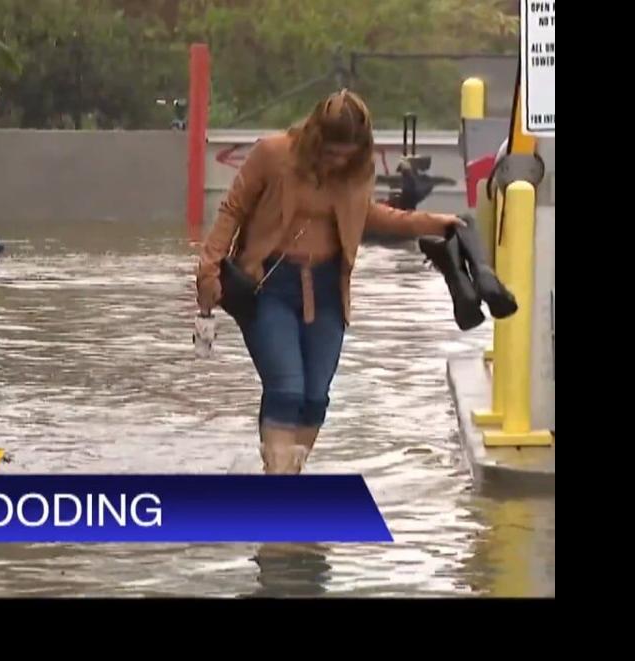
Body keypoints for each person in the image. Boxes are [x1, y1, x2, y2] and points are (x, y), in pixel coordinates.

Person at [195, 90, 465, 475]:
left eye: (347, 154)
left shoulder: (356, 170)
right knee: (286, 388)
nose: (338, 160)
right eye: (331, 152)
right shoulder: (273, 154)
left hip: (327, 289)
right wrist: (208, 269)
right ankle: (278, 488)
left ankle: (290, 476)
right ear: (315, 137)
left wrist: (435, 223)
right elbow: (232, 209)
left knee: (315, 397)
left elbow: (367, 215)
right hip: (268, 286)